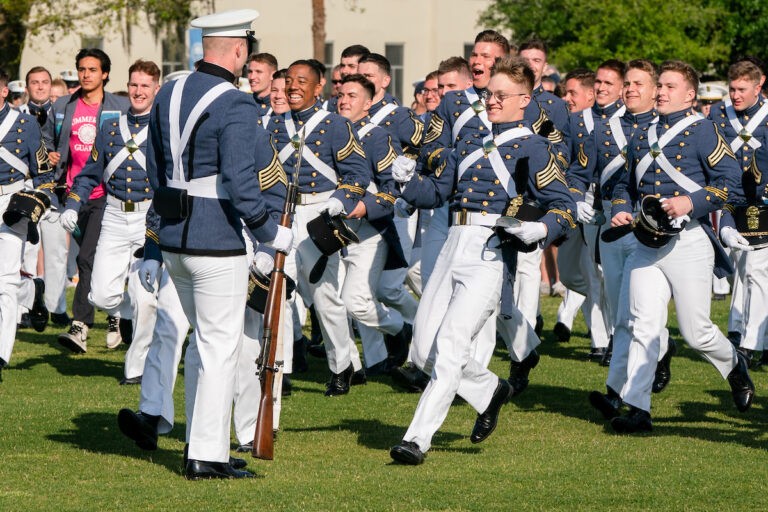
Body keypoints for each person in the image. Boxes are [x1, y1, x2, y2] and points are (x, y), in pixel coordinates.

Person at [389, 57, 576, 464]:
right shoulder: (470, 142)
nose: (491, 100)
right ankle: (490, 389)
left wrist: (541, 229)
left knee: (453, 344)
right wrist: (405, 180)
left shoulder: (534, 146)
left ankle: (416, 440)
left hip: (491, 250)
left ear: (524, 99)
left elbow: (564, 206)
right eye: (489, 93)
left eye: (500, 95)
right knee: (422, 350)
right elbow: (435, 194)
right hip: (453, 241)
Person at [136, 9, 293, 479]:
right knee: (220, 348)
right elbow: (242, 183)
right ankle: (207, 455)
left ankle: (197, 444)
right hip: (217, 237)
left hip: (175, 234)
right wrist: (270, 232)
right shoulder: (238, 104)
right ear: (240, 49)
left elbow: (153, 165)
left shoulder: (169, 91)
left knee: (205, 345)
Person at [608, 60, 754, 433]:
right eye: (660, 86)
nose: (660, 92)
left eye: (670, 87)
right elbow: (624, 185)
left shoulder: (704, 130)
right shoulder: (642, 133)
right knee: (644, 324)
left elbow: (731, 184)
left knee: (696, 331)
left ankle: (734, 365)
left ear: (690, 95)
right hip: (645, 243)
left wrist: (691, 202)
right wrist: (621, 210)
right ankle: (638, 409)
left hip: (689, 242)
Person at [265, 59, 369, 396]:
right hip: (282, 216)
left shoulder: (336, 125)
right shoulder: (273, 125)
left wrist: (340, 200)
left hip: (319, 216)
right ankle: (279, 369)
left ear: (318, 86)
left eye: (301, 81)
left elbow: (357, 174)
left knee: (325, 297)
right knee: (277, 290)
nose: (293, 87)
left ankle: (342, 365)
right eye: (289, 81)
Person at [58, 60, 161, 386]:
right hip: (114, 215)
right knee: (101, 296)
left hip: (149, 216)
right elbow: (90, 173)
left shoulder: (163, 129)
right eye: (134, 85)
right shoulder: (110, 128)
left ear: (156, 89)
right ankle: (123, 312)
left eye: (145, 85)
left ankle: (135, 368)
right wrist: (74, 203)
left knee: (147, 301)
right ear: (127, 86)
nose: (138, 91)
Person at [44, 48, 130, 351]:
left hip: (106, 194)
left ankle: (80, 324)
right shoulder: (64, 105)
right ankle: (118, 314)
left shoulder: (120, 107)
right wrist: (51, 154)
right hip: (71, 195)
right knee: (94, 259)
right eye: (82, 69)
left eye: (92, 70)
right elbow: (47, 139)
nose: (86, 75)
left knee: (86, 259)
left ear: (104, 74)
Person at [336, 73, 409, 374]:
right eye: (341, 94)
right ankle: (363, 364)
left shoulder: (378, 137)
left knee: (356, 302)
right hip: (332, 230)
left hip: (368, 230)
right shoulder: (331, 131)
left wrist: (366, 206)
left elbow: (393, 189)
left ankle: (402, 328)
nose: (343, 100)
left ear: (368, 104)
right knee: (336, 303)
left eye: (352, 96)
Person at [713, 60, 768, 364]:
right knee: (743, 269)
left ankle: (749, 343)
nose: (735, 95)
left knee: (758, 271)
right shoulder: (720, 114)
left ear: (759, 86)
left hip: (764, 202)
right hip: (734, 199)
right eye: (732, 89)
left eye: (742, 89)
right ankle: (741, 331)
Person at [0, 67, 54, 379]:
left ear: (4, 91)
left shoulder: (25, 124)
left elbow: (44, 173)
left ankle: (2, 352)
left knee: (5, 280)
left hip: (12, 204)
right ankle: (31, 292)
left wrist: (39, 202)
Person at [247, 52, 277, 125]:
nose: (252, 77)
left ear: (273, 75)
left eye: (258, 72)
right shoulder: (244, 103)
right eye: (250, 72)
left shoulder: (282, 106)